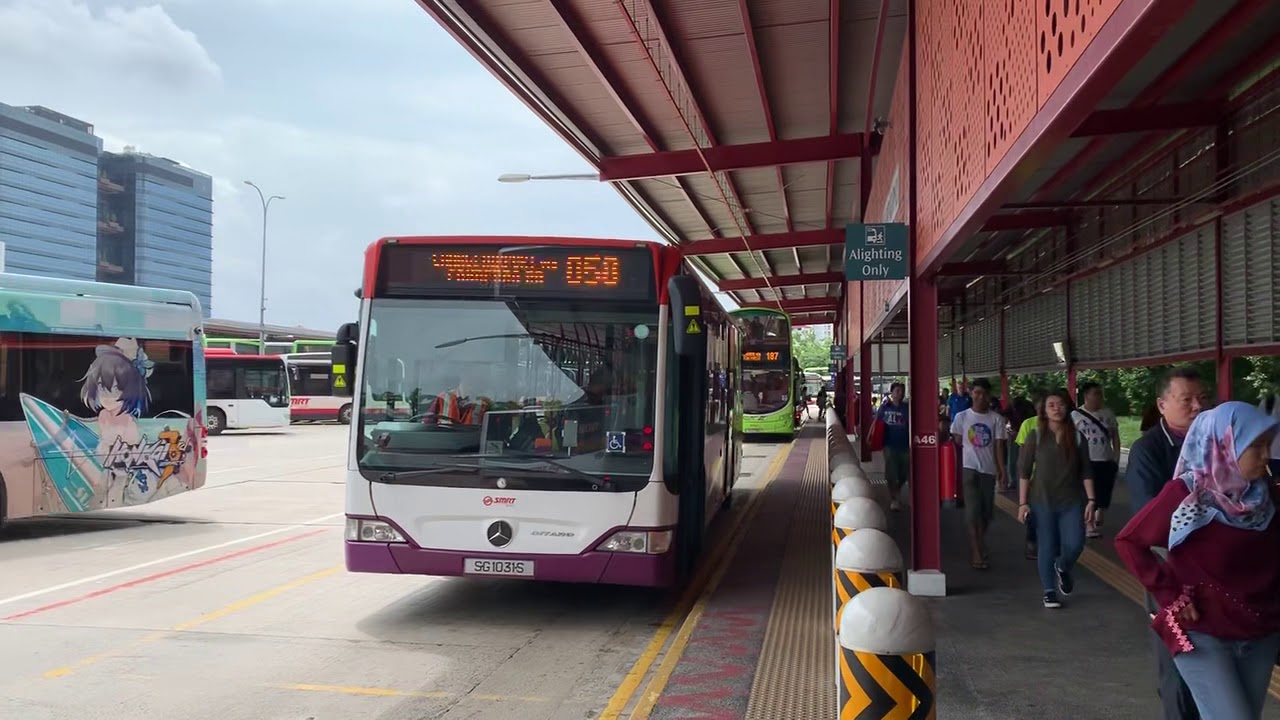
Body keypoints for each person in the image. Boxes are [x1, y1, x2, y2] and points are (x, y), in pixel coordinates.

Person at [1116, 402, 1280, 719]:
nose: (1265, 456)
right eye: (1256, 446)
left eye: (1267, 445)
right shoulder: (1189, 492)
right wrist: (1170, 595)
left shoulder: (1267, 497)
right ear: (1226, 445)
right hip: (1201, 631)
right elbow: (1129, 542)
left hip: (1260, 632)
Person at [1125, 366, 1207, 720]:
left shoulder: (1215, 444)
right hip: (1168, 571)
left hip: (1214, 572)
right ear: (1162, 405)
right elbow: (1150, 523)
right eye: (1187, 399)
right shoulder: (1148, 450)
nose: (1197, 406)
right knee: (1177, 657)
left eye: (1202, 398)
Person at [1016, 390, 1096, 609]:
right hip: (1042, 500)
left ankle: (1063, 565)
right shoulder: (1035, 436)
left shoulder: (1078, 437)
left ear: (1067, 407)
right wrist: (1022, 503)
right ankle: (1049, 591)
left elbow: (1086, 470)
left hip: (1072, 500)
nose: (1056, 409)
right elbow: (1024, 471)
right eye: (1051, 405)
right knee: (1047, 545)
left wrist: (1091, 500)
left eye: (1060, 404)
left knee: (1076, 542)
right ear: (1043, 410)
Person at [950, 378, 1007, 569]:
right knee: (973, 512)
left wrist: (1002, 470)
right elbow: (957, 439)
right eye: (976, 393)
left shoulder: (996, 419)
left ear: (989, 396)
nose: (980, 397)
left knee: (986, 513)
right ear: (971, 393)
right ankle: (976, 551)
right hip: (969, 468)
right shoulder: (962, 417)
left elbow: (999, 446)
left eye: (984, 393)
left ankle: (980, 542)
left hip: (988, 470)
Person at [1073, 382, 1121, 538]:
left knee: (1104, 490)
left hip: (1106, 458)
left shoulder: (1108, 413)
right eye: (1096, 393)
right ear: (1086, 396)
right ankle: (1089, 523)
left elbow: (1115, 436)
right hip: (1086, 460)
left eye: (1100, 394)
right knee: (1089, 493)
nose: (1099, 397)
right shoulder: (1075, 415)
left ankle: (1100, 511)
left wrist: (1116, 456)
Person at [1015, 394, 1045, 560]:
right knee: (1033, 511)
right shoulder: (1028, 424)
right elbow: (1022, 453)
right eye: (1040, 408)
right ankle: (1032, 540)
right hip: (1032, 477)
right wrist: (1022, 474)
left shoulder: (1060, 426)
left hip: (1052, 479)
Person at [875, 382, 909, 511]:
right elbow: (877, 424)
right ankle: (894, 498)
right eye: (897, 391)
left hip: (904, 445)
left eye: (902, 391)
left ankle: (897, 491)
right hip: (889, 444)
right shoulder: (884, 408)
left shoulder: (907, 408)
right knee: (891, 473)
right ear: (892, 393)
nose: (900, 394)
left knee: (903, 473)